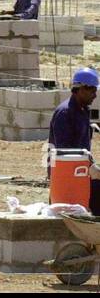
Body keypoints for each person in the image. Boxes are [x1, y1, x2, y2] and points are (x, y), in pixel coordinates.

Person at [48, 68, 100, 213]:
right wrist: (89, 167)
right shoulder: (65, 114)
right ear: (81, 89)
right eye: (92, 91)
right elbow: (64, 152)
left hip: (81, 173)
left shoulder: (82, 111)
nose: (95, 95)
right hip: (68, 177)